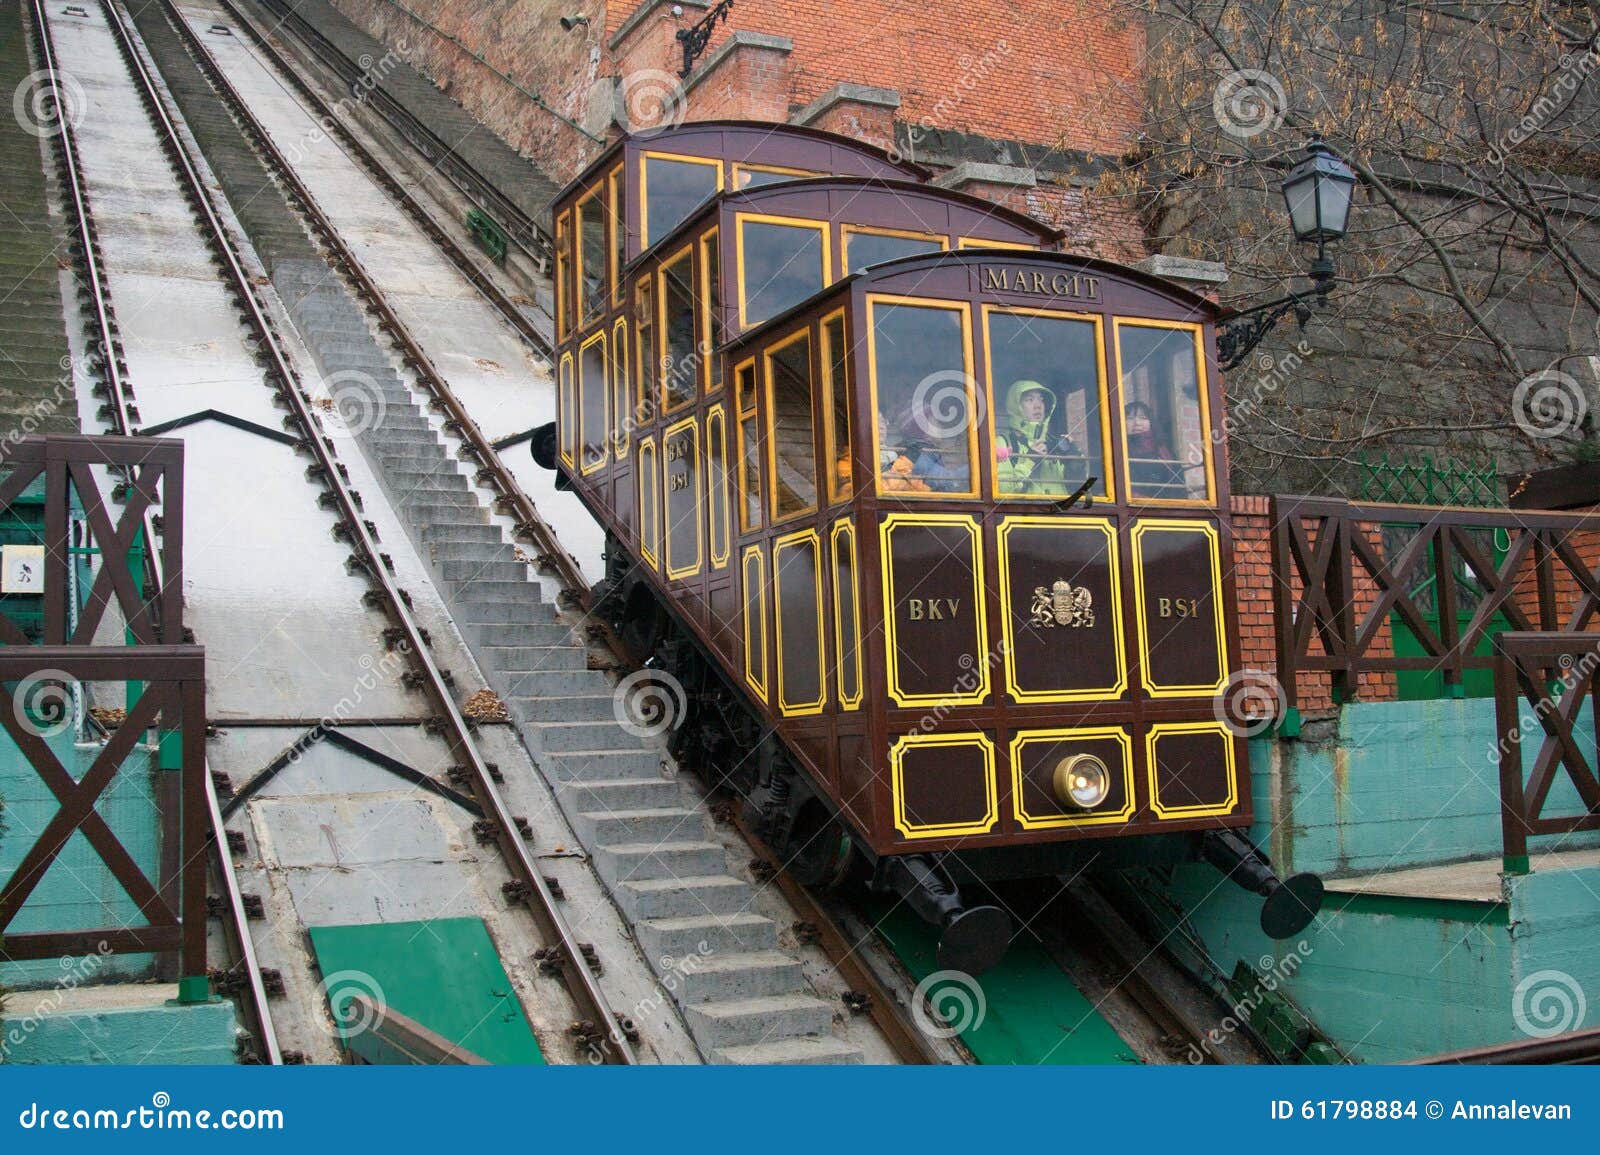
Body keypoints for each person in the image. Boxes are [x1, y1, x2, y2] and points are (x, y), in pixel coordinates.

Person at [997, 380, 1077, 494]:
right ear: (1016, 407)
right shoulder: (1003, 442)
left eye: (1041, 400)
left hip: (1060, 511)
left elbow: (1081, 490)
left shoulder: (1052, 442)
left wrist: (1074, 459)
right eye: (1029, 400)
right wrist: (1030, 461)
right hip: (1025, 512)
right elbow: (1003, 492)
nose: (1038, 406)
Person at [1125, 400, 1183, 497]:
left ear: (1151, 422)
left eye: (1143, 418)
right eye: (1130, 418)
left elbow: (1179, 485)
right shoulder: (1119, 450)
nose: (1137, 423)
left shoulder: (1164, 451)